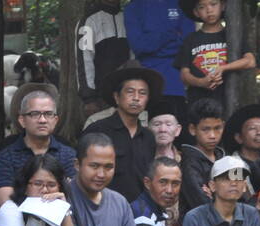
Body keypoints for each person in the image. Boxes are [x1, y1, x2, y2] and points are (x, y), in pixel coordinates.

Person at [87, 60, 164, 202]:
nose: (136, 98)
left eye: (142, 93)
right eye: (130, 92)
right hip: (104, 207)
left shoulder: (148, 137)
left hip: (141, 212)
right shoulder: (98, 130)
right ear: (117, 97)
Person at [0, 86, 77, 206]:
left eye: (48, 114)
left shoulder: (68, 155)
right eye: (35, 114)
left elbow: (74, 199)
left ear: (56, 120)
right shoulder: (6, 156)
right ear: (22, 120)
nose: (42, 120)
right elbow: (7, 205)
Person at [175, 0, 254, 109]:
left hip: (229, 100)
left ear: (222, 6)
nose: (209, 10)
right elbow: (184, 75)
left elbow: (250, 61)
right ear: (196, 12)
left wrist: (223, 68)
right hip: (198, 102)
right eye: (202, 7)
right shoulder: (191, 39)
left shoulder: (233, 36)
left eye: (213, 4)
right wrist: (201, 82)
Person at [125, 0, 195, 114]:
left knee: (176, 128)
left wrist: (152, 42)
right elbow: (139, 47)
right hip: (148, 84)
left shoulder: (182, 4)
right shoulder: (134, 7)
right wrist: (171, 34)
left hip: (177, 83)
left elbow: (188, 44)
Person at [77, 0, 130, 113]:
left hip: (128, 93)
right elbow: (84, 60)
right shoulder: (89, 20)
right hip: (102, 96)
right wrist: (89, 99)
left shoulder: (127, 18)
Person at [132, 155, 185, 226]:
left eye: (175, 183)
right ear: (147, 183)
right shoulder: (144, 218)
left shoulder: (156, 210)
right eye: (163, 182)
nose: (170, 190)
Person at [179, 96, 225, 210]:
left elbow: (241, 191)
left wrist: (214, 194)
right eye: (206, 129)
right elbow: (202, 203)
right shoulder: (189, 163)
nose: (213, 136)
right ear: (192, 129)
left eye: (217, 128)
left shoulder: (226, 158)